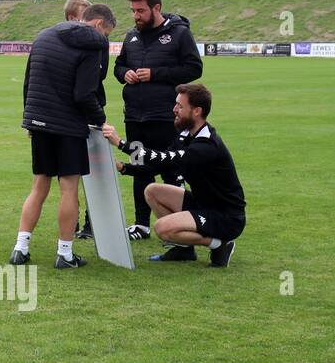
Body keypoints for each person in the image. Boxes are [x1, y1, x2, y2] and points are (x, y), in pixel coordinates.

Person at [10, 3, 116, 269]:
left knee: (39, 186)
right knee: (68, 188)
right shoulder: (92, 45)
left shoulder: (44, 35)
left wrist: (29, 119)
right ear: (99, 24)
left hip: (38, 120)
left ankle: (20, 248)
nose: (105, 40)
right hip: (68, 124)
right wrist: (100, 120)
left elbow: (28, 82)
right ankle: (65, 253)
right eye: (107, 33)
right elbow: (84, 94)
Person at [102, 84, 244, 266]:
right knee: (152, 191)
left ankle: (219, 245)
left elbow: (163, 157)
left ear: (197, 111)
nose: (174, 109)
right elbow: (159, 164)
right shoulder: (186, 135)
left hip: (225, 217)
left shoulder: (207, 145)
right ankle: (184, 249)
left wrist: (121, 143)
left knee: (162, 229)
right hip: (203, 204)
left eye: (180, 106)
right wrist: (123, 167)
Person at [113, 0, 203, 241]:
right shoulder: (131, 36)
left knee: (171, 170)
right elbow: (118, 66)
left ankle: (180, 227)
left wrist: (156, 74)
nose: (136, 16)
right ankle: (141, 225)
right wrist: (125, 74)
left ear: (156, 8)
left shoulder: (179, 33)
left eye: (141, 10)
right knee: (140, 167)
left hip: (166, 117)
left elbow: (194, 68)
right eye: (133, 11)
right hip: (135, 116)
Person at [63, 0, 96, 239]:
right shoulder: (62, 43)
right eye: (86, 16)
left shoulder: (94, 43)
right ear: (72, 18)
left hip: (90, 114)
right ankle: (71, 223)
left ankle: (92, 223)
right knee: (68, 177)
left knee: (94, 173)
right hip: (69, 119)